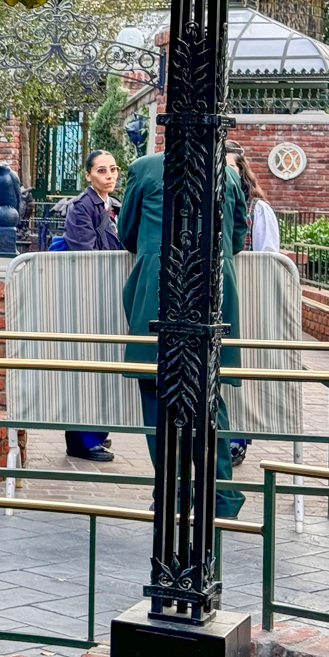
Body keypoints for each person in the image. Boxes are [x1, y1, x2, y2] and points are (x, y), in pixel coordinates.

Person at [117, 151, 248, 519]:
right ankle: (220, 495)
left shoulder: (144, 169)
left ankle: (173, 492)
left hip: (157, 290)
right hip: (214, 293)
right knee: (210, 396)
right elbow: (238, 236)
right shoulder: (226, 171)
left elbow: (126, 233)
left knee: (157, 393)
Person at [62, 150, 124, 462]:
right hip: (87, 295)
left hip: (109, 293)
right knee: (85, 367)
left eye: (113, 169)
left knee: (104, 368)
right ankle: (81, 441)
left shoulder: (115, 205)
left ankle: (97, 432)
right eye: (101, 170)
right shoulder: (81, 207)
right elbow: (83, 254)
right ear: (88, 175)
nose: (109, 176)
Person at [224, 141, 280, 466]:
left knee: (242, 369)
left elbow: (268, 259)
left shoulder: (258, 210)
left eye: (230, 167)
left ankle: (238, 438)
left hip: (248, 300)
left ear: (241, 171)